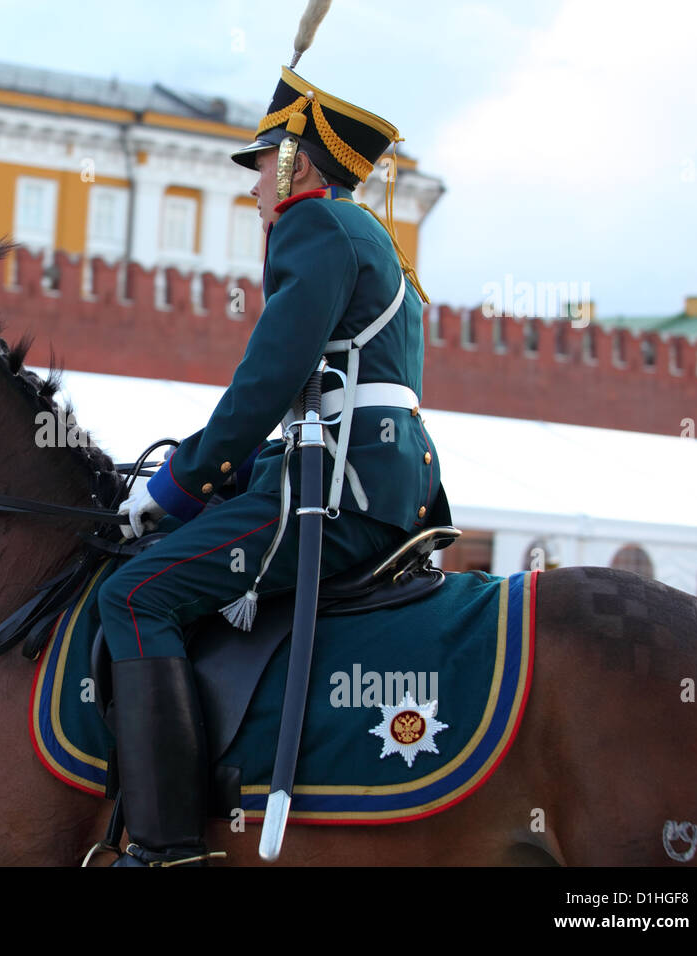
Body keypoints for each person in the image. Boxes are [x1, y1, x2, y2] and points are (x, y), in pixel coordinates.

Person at [95, 30, 451, 865]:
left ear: (296, 166)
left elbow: (266, 382)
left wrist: (177, 489)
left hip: (337, 492)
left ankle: (163, 844)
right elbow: (311, 397)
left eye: (261, 165)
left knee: (134, 597)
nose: (254, 184)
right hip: (384, 479)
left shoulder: (314, 229)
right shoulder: (367, 236)